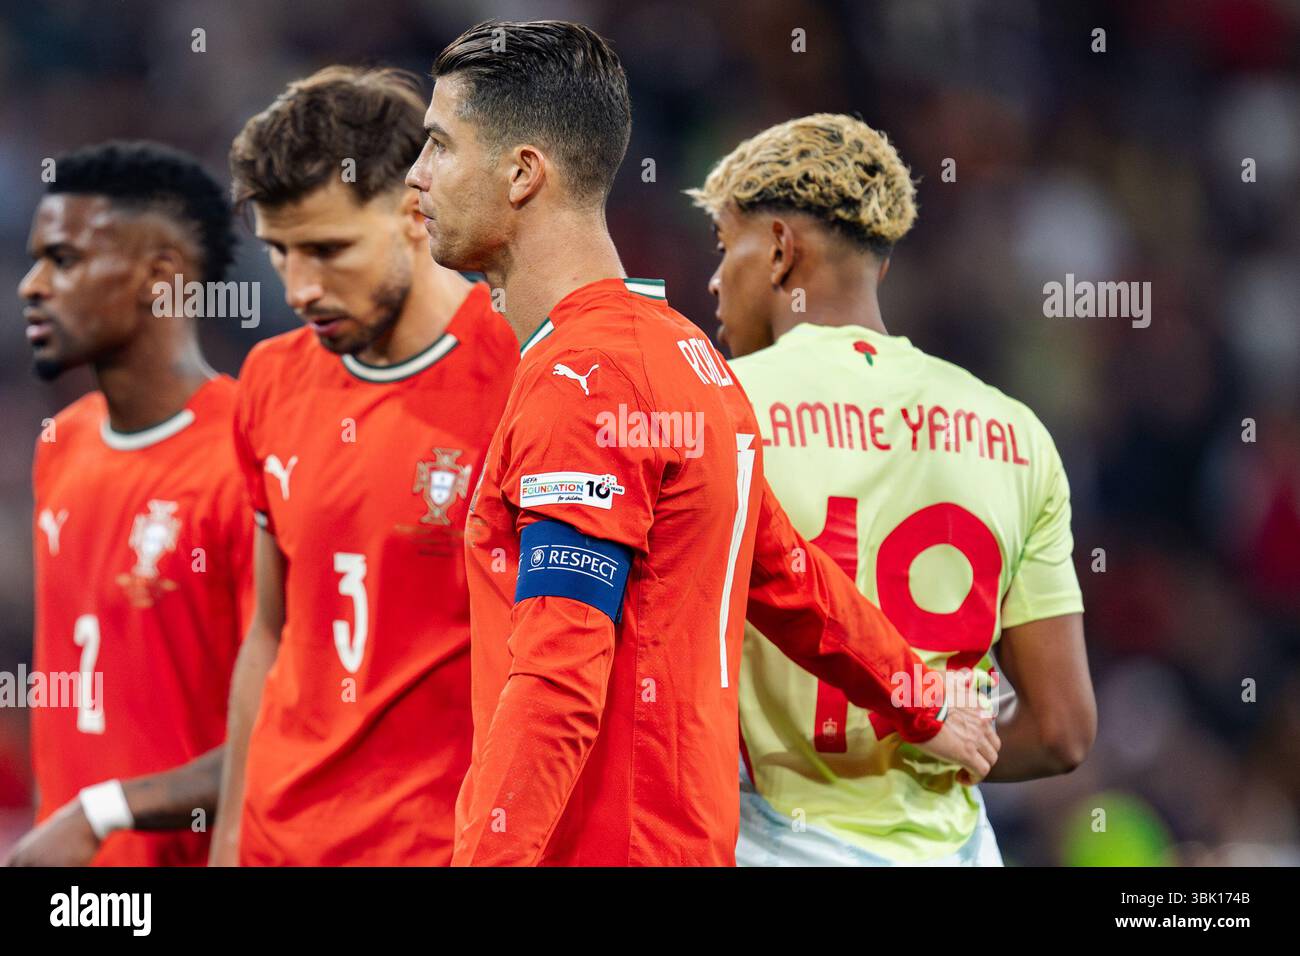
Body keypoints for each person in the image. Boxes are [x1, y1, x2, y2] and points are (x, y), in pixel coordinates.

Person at [405, 19, 1000, 866]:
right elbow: (785, 571)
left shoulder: (588, 381)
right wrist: (921, 702)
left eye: (436, 146)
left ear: (522, 173)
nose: (413, 176)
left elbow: (557, 677)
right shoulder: (692, 359)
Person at [689, 113, 1097, 865]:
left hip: (767, 842)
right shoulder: (1014, 431)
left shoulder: (715, 408)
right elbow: (1063, 728)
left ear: (779, 249)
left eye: (725, 245)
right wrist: (929, 740)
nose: (714, 280)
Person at [208, 66, 517, 865]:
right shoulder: (270, 380)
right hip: (280, 841)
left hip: (432, 847)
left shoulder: (525, 374)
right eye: (278, 253)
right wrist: (231, 840)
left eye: (328, 249)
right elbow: (270, 634)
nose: (299, 288)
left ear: (417, 210)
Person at [6, 141, 247, 866]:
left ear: (160, 276)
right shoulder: (64, 442)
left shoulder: (250, 455)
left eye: (65, 259)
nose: (31, 285)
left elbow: (293, 727)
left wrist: (103, 812)